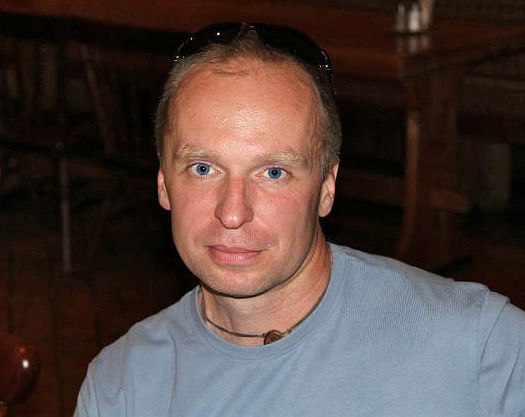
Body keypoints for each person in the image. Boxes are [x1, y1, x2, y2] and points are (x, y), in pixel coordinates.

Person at [74, 23, 525, 416]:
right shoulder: (122, 385)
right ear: (162, 182)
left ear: (327, 186)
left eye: (273, 173)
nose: (232, 212)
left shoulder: (478, 348)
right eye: (203, 168)